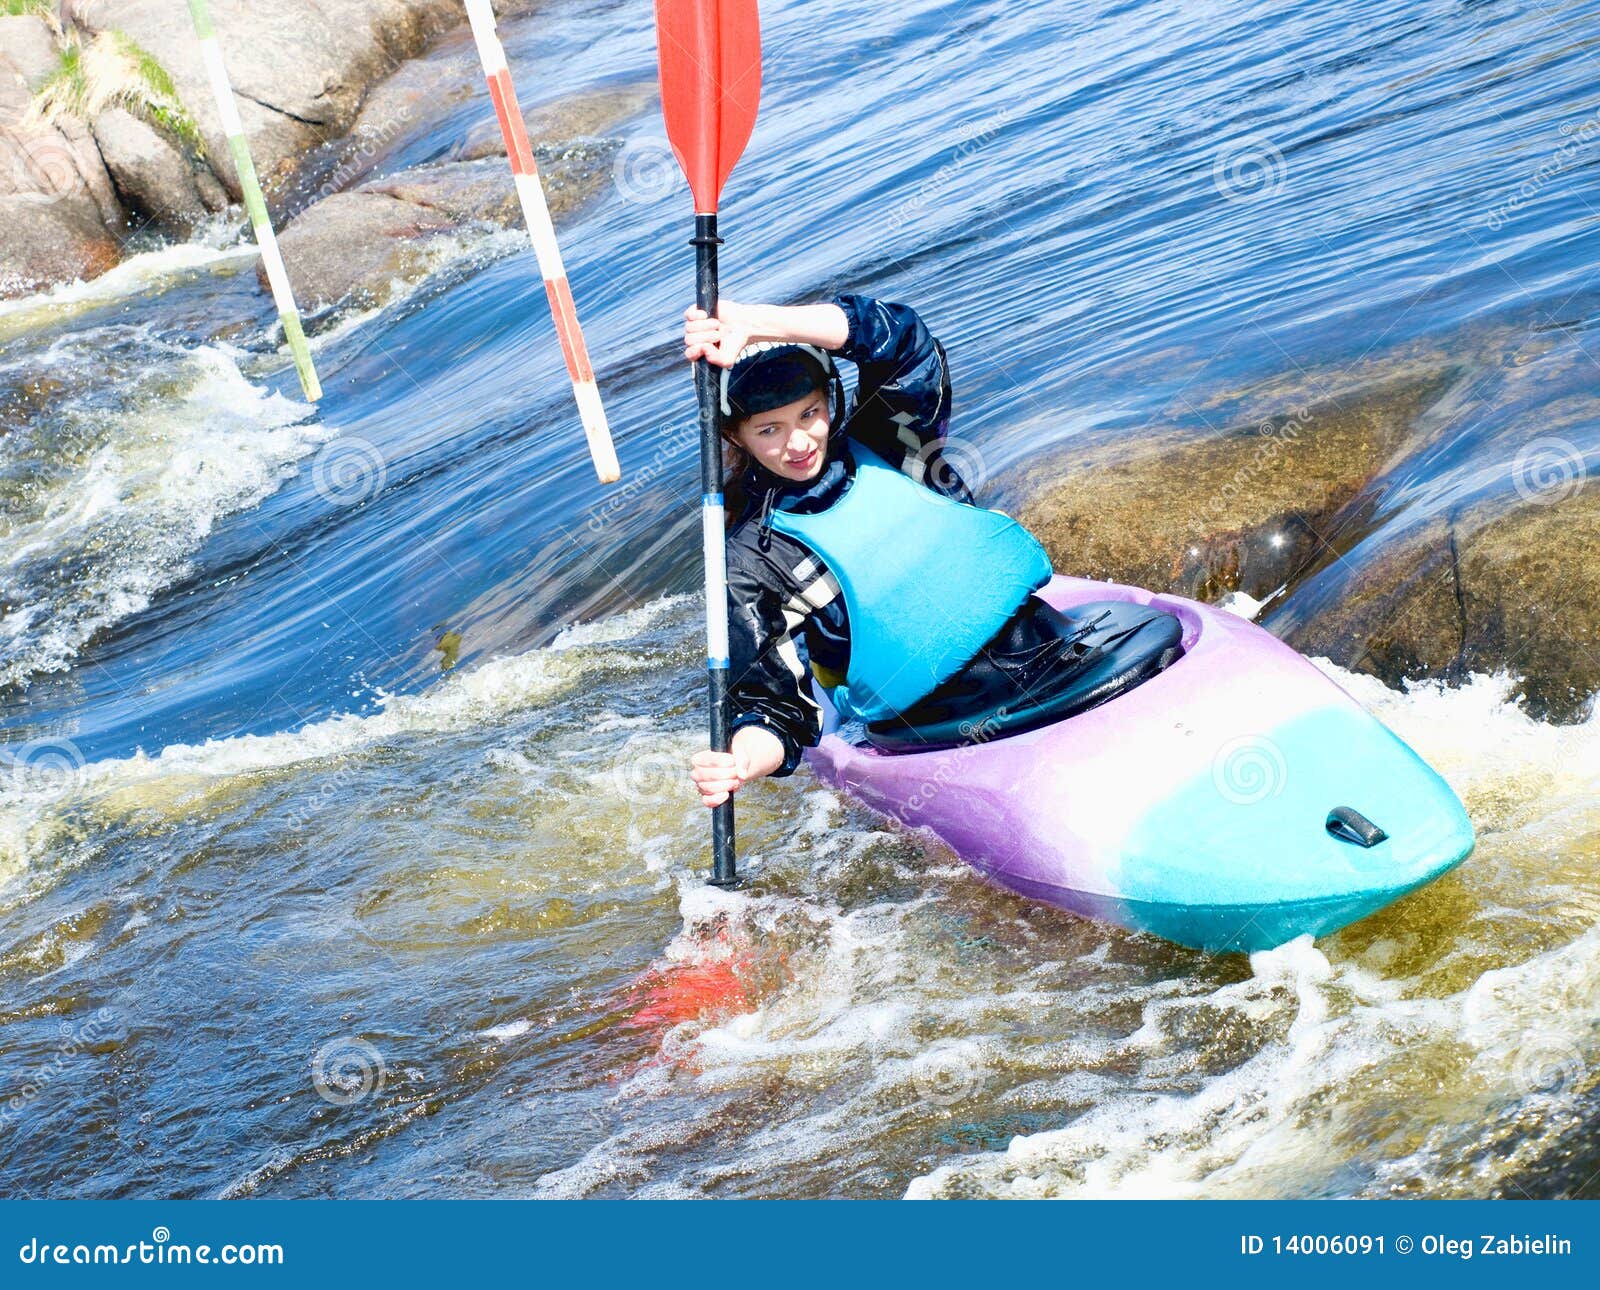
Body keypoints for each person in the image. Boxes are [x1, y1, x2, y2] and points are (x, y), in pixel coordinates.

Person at [683, 295, 1090, 810]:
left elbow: (903, 342)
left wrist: (757, 323)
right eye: (769, 430)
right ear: (735, 438)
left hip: (1044, 644)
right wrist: (740, 761)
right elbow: (772, 710)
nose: (799, 441)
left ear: (831, 399)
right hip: (933, 723)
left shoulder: (896, 441)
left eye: (809, 413)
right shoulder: (749, 561)